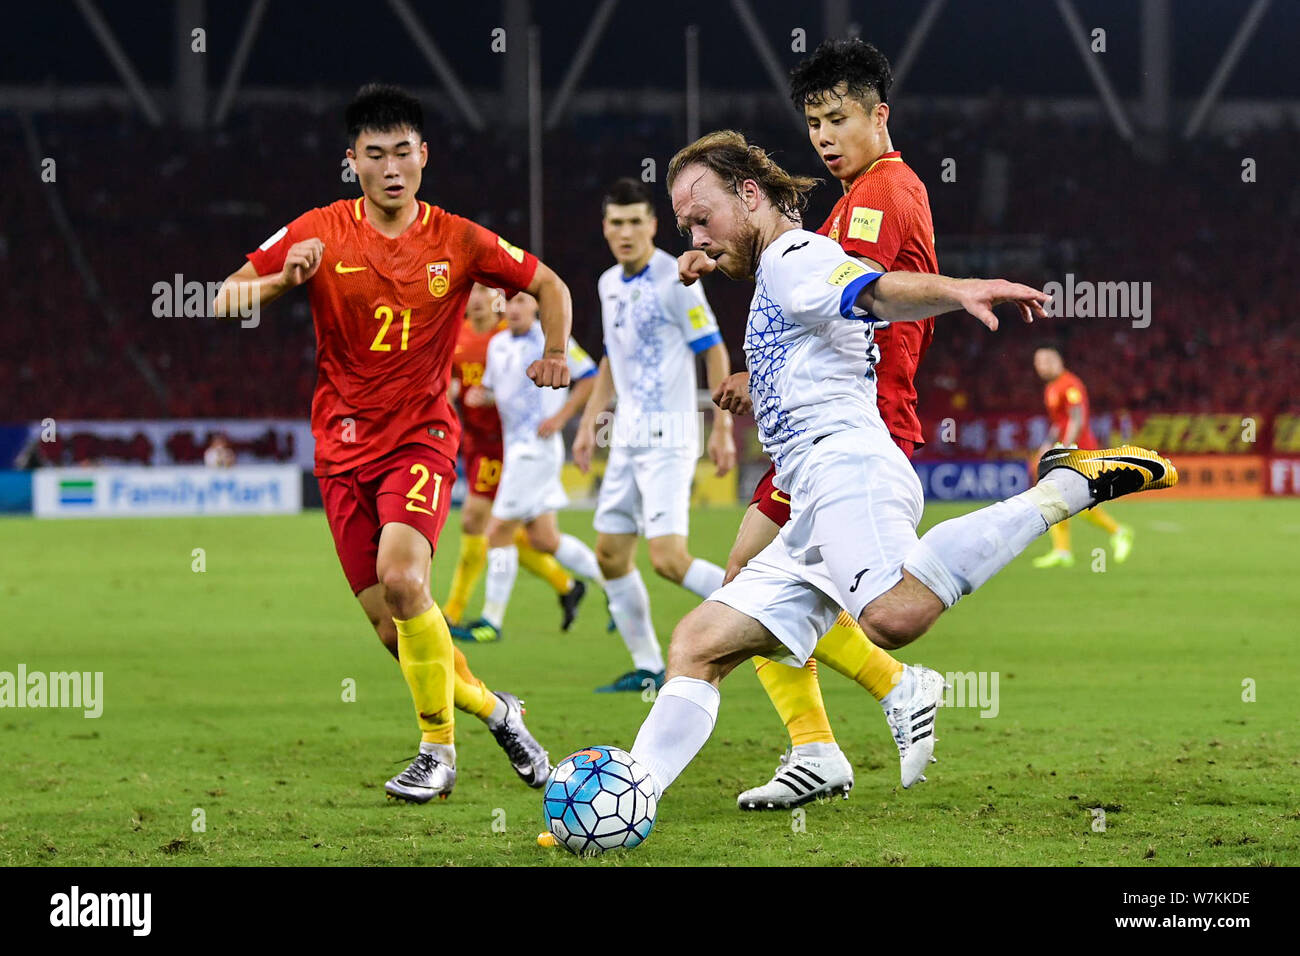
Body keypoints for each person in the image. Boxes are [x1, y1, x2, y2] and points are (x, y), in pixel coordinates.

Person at [623, 131, 1176, 811]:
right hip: (807, 491)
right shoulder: (777, 266)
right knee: (698, 642)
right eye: (685, 227)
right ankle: (633, 797)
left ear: (748, 194)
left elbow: (874, 293)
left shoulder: (795, 257)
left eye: (701, 219)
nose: (697, 237)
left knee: (891, 615)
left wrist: (960, 289)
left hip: (848, 466)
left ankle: (1064, 489)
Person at [212, 84, 566, 804]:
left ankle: (437, 753)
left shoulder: (460, 239)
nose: (391, 166)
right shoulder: (319, 229)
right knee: (392, 629)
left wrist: (556, 350)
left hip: (421, 435)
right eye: (374, 155)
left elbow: (550, 283)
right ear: (354, 163)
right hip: (340, 449)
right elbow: (224, 298)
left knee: (406, 583)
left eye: (403, 151)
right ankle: (501, 713)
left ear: (424, 156)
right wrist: (285, 277)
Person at [720, 38, 946, 807]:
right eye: (814, 120)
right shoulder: (861, 195)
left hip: (856, 426)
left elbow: (851, 303)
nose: (823, 135)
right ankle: (822, 745)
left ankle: (887, 695)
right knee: (755, 588)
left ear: (878, 115)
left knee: (754, 591)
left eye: (839, 117)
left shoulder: (883, 192)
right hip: (832, 425)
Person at [571, 178, 736, 693]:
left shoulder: (674, 277)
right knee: (610, 555)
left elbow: (712, 348)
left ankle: (762, 606)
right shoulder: (607, 284)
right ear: (605, 228)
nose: (626, 231)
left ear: (652, 225)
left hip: (670, 433)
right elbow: (610, 362)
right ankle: (646, 666)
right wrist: (586, 424)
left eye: (635, 221)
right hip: (626, 437)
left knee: (667, 558)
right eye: (616, 222)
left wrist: (722, 425)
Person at [448, 292, 603, 642]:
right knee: (543, 538)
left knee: (496, 532)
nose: (515, 309)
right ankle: (610, 583)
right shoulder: (498, 344)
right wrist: (477, 396)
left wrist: (561, 418)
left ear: (537, 305)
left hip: (533, 452)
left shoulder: (551, 339)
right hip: (509, 448)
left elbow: (590, 374)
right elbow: (492, 389)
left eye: (521, 301)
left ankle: (490, 621)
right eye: (512, 302)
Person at [1031, 344, 1134, 568]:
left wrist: (1065, 448)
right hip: (1068, 447)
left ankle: (1118, 531)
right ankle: (1063, 550)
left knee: (1070, 499)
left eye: (1042, 362)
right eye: (1037, 363)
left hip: (1081, 449)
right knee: (1055, 496)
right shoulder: (1051, 388)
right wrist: (1047, 444)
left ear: (1055, 361)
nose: (1039, 367)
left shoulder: (1070, 384)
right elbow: (1060, 423)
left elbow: (1077, 419)